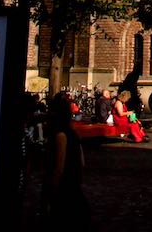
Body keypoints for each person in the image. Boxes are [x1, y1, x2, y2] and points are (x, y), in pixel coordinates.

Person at [41, 93, 90, 231]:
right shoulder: (73, 134)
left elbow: (59, 168)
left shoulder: (60, 135)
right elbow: (82, 162)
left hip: (63, 188)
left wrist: (52, 189)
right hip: (74, 186)